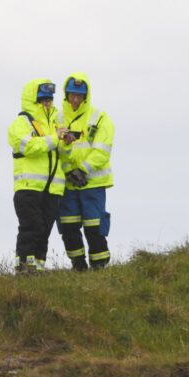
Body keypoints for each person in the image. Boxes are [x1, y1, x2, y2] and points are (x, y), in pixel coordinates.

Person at [57, 72, 115, 270]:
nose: (75, 99)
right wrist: (72, 172)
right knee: (68, 226)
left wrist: (82, 170)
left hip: (93, 183)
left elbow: (103, 150)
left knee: (94, 226)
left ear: (86, 96)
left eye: (79, 95)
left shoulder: (100, 118)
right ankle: (78, 266)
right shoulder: (57, 119)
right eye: (72, 94)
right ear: (66, 94)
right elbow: (56, 151)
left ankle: (99, 265)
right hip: (67, 184)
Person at [8, 78, 65, 273]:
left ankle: (38, 269)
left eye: (49, 99)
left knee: (44, 230)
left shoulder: (57, 122)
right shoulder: (21, 122)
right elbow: (27, 146)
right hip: (28, 186)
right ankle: (23, 267)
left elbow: (62, 152)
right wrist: (55, 139)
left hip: (52, 187)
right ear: (33, 99)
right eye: (43, 99)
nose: (47, 103)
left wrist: (66, 141)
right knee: (30, 227)